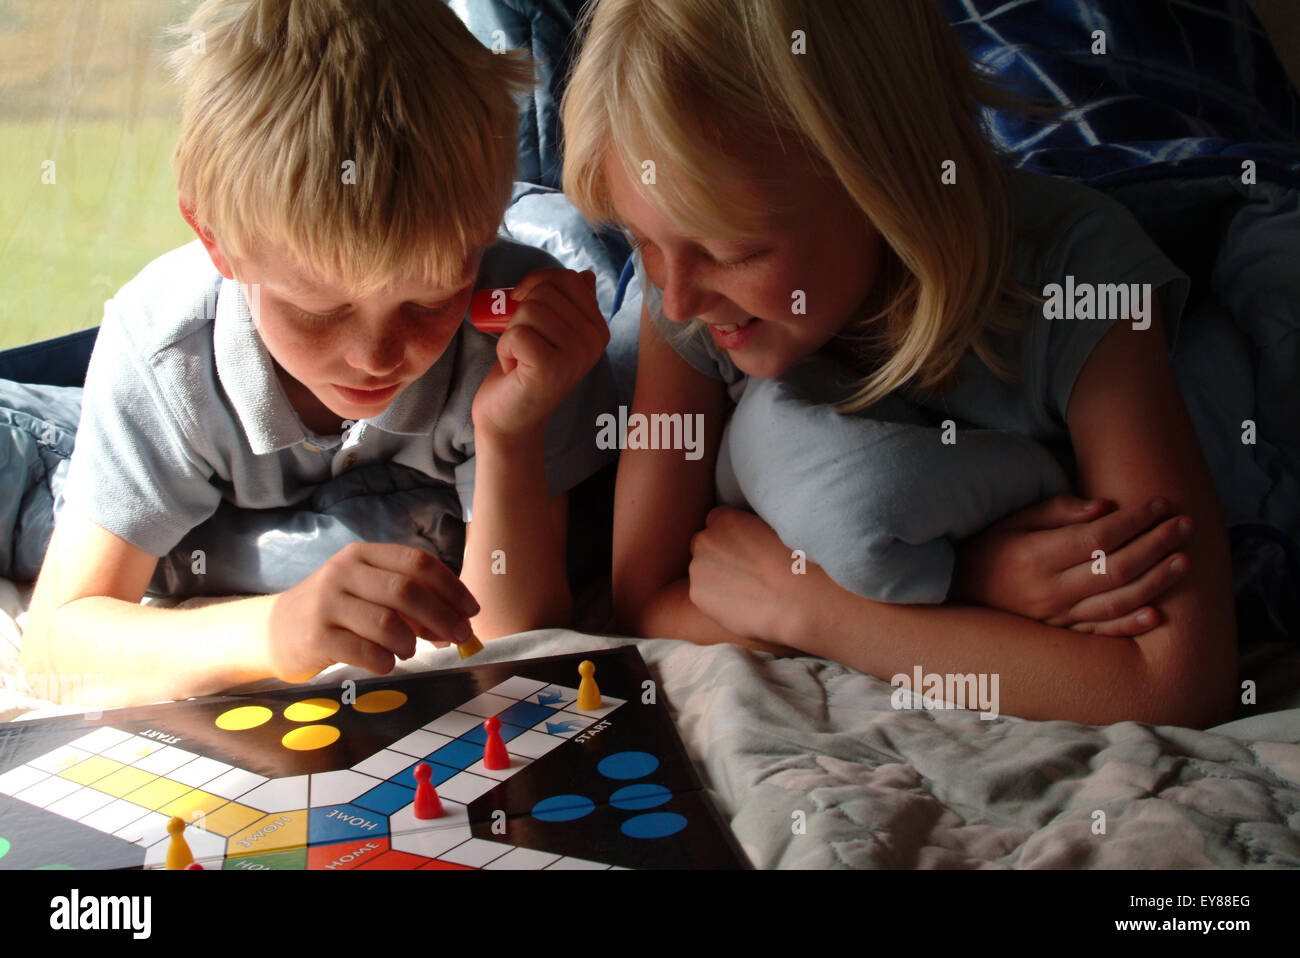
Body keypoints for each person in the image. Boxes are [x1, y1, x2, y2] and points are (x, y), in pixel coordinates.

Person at [560, 0, 1236, 726]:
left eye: (734, 252)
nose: (677, 294)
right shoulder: (682, 295)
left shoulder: (1081, 279)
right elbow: (645, 599)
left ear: (888, 179)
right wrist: (971, 581)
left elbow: (1174, 683)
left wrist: (815, 609)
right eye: (643, 241)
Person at [19, 0, 615, 707]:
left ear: (487, 229)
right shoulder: (163, 349)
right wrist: (277, 629)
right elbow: (57, 645)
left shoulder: (514, 334)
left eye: (428, 302)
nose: (376, 354)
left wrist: (510, 435)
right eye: (318, 310)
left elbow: (513, 640)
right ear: (216, 240)